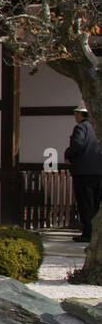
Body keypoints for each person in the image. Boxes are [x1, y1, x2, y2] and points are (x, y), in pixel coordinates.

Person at [66, 103, 102, 242]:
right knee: (96, 204)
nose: (75, 116)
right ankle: (96, 233)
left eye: (76, 113)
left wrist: (68, 154)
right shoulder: (97, 128)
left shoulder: (81, 127)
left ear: (80, 114)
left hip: (83, 172)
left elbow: (78, 145)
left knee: (85, 204)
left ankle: (88, 233)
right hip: (98, 172)